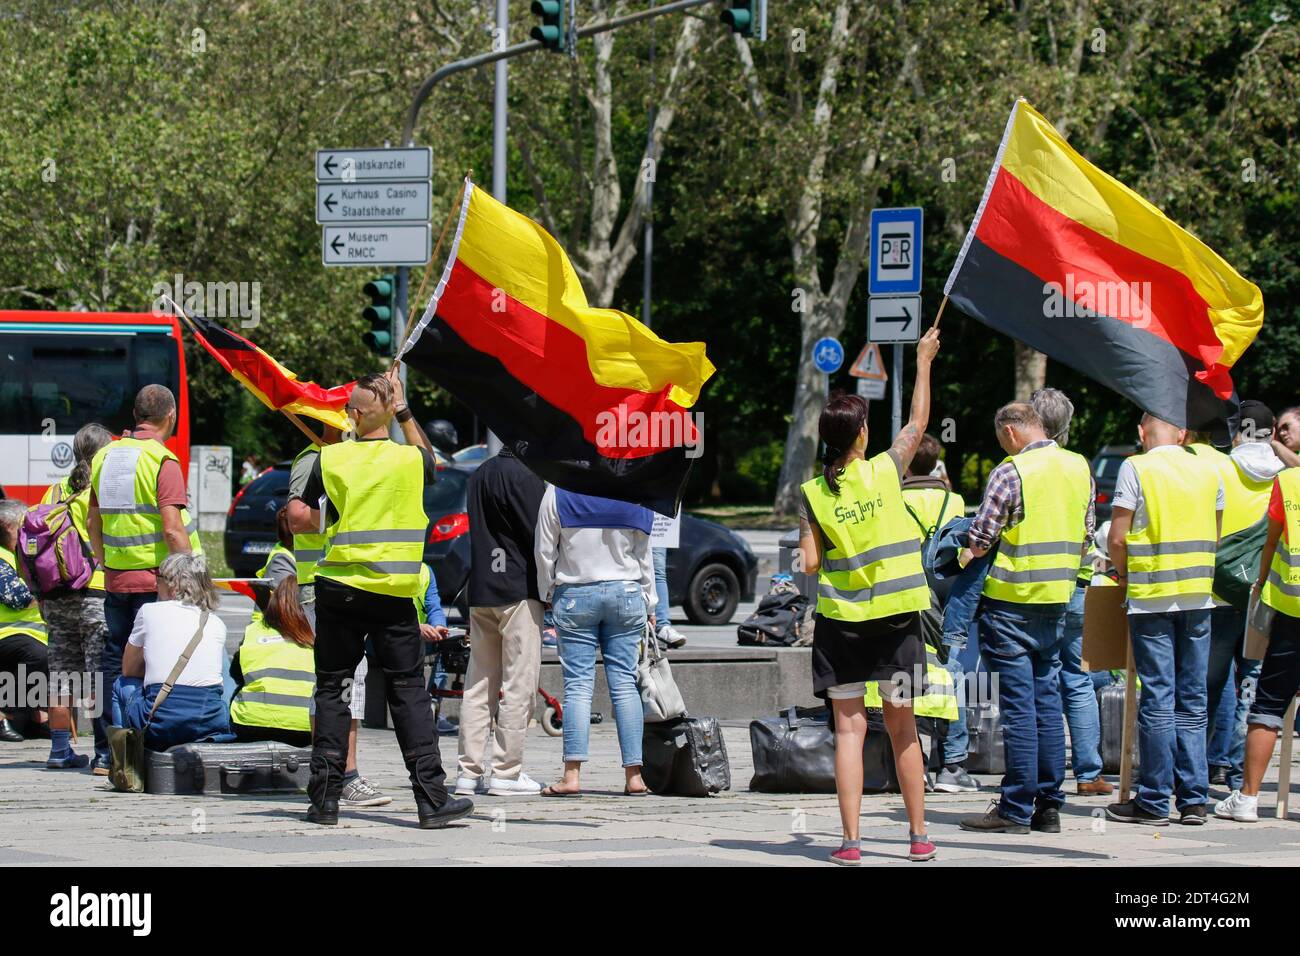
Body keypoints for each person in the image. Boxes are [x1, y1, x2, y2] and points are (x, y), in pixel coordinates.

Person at [298, 369, 472, 828]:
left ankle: (325, 800)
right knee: (408, 690)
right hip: (393, 593)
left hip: (339, 589)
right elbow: (430, 460)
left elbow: (301, 511)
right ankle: (431, 799)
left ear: (352, 415)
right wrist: (404, 409)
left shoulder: (330, 459)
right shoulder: (408, 460)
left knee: (332, 689)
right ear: (389, 413)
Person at [798, 326, 942, 865]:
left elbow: (811, 564)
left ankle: (851, 843)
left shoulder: (814, 493)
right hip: (898, 621)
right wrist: (923, 360)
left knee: (849, 732)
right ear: (859, 435)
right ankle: (919, 836)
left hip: (842, 625)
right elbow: (919, 423)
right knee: (904, 730)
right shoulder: (886, 471)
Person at [958, 401, 1094, 835]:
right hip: (1057, 600)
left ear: (1012, 432)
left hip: (1011, 602)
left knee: (1018, 710)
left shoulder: (1009, 471)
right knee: (1047, 703)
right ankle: (1049, 806)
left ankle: (1015, 808)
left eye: (1003, 441)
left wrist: (963, 553)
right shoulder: (1078, 467)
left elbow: (981, 537)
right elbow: (1088, 531)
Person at [1105, 413, 1223, 826]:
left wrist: (1122, 573)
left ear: (1141, 433)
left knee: (1157, 698)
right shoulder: (1210, 469)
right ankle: (1194, 800)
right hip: (1199, 595)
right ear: (1183, 434)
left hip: (1152, 597)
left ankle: (1154, 801)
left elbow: (1117, 538)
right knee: (1192, 699)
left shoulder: (1136, 466)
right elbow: (1217, 532)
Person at [88, 385, 200, 773]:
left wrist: (107, 564)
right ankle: (145, 747)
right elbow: (172, 530)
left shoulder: (104, 456)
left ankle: (106, 751)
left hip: (116, 581)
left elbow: (93, 521)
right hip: (154, 584)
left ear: (136, 415)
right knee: (154, 661)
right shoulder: (162, 460)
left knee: (112, 662)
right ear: (170, 417)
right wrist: (191, 574)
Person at [286, 432, 391, 809]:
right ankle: (341, 774)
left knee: (346, 683)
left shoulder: (342, 457)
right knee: (341, 683)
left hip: (348, 581)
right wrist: (351, 512)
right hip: (322, 583)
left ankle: (336, 773)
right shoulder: (312, 459)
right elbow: (297, 519)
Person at [535, 486, 655, 799]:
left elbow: (544, 550)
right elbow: (644, 555)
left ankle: (571, 776)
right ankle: (635, 776)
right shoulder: (634, 491)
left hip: (575, 595)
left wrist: (547, 591)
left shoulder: (558, 491)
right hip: (626, 594)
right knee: (626, 685)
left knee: (577, 686)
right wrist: (651, 603)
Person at [1186, 400, 1282, 793]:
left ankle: (1199, 770)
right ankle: (1243, 773)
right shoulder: (1285, 477)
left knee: (1207, 685)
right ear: (1272, 433)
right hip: (1265, 594)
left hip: (1219, 591)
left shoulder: (1217, 468)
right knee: (1251, 685)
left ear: (1236, 433)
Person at [1031, 387, 1111, 796]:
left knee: (1035, 680)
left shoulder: (1019, 465)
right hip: (1076, 584)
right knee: (1078, 680)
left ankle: (1034, 775)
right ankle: (1088, 773)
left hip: (1029, 589)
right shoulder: (1080, 465)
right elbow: (1088, 529)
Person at [455, 445, 547, 797]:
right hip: (518, 587)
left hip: (482, 589)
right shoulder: (527, 475)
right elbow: (538, 536)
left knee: (478, 685)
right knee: (518, 684)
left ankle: (468, 772)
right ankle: (506, 772)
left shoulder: (479, 474)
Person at [1215, 464, 1300, 822]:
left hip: (1291, 609)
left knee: (1268, 704)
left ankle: (1248, 798)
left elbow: (1272, 538)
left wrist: (1261, 583)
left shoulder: (1290, 481)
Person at [37, 423, 113, 769]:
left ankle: (58, 751)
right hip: (94, 594)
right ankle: (103, 753)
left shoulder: (53, 492)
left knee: (62, 676)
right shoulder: (100, 492)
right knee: (98, 676)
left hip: (55, 597)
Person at [902, 433, 973, 793]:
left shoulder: (897, 499)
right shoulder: (954, 498)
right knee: (951, 669)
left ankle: (914, 764)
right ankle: (953, 764)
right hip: (948, 588)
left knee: (910, 670)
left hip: (910, 590)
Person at [113, 553, 229, 750]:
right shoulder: (216, 623)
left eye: (159, 579)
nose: (155, 585)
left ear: (173, 585)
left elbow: (129, 670)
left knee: (121, 685)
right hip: (207, 722)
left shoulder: (148, 611)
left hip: (160, 721)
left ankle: (123, 760)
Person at [229, 577, 316, 747]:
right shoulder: (316, 632)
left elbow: (235, 674)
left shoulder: (255, 630)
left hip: (251, 725)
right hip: (306, 726)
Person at [0, 500, 51, 743]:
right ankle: (8, 712)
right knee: (39, 655)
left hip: (27, 633)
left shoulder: (16, 555)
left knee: (56, 655)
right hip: (7, 634)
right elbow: (16, 598)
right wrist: (46, 590)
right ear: (8, 527)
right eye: (22, 526)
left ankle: (35, 719)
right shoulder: (1, 558)